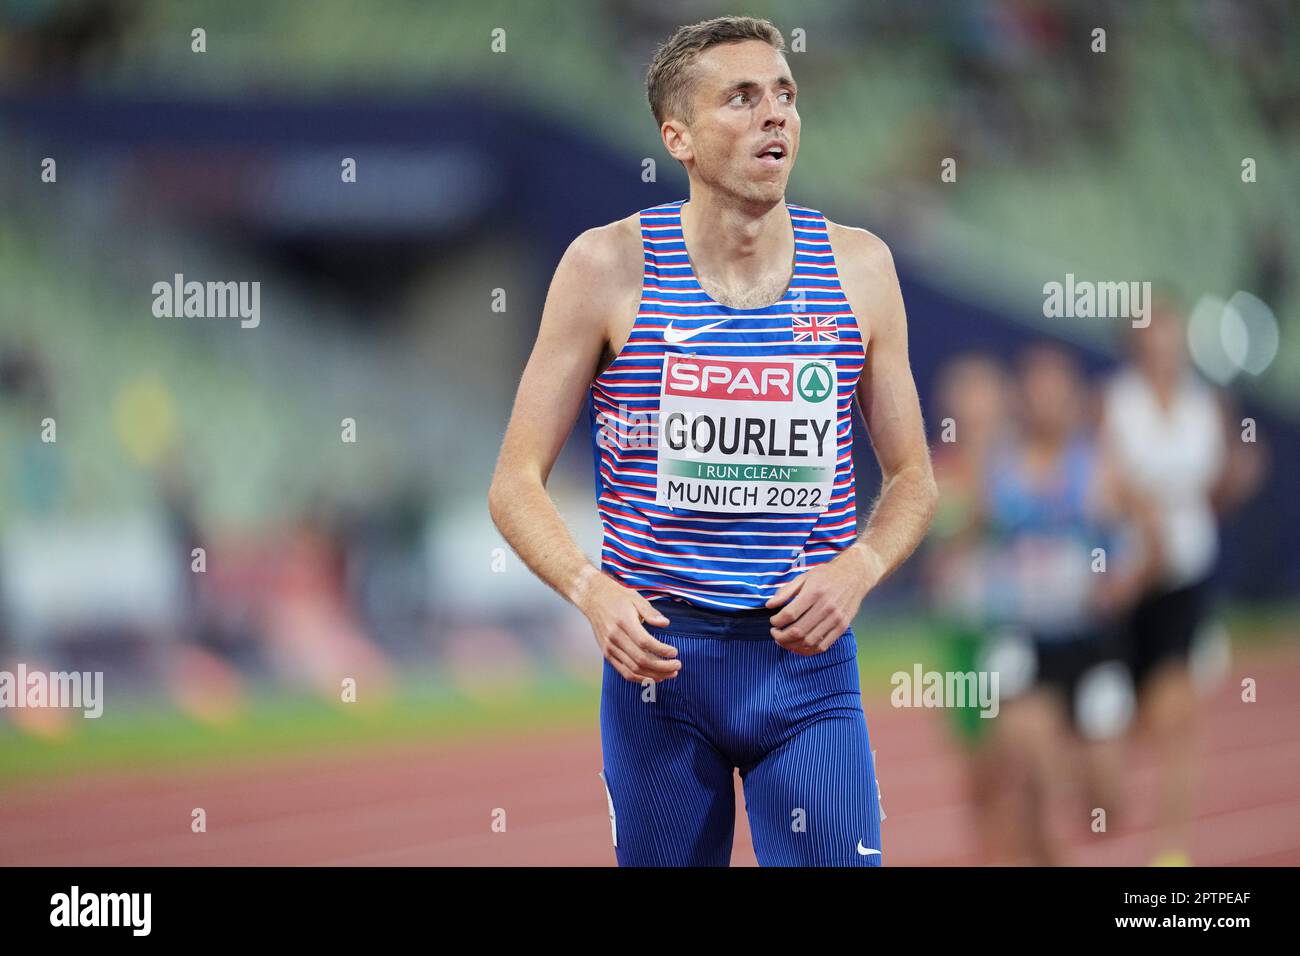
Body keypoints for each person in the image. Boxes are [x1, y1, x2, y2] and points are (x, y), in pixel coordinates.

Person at [488, 16, 937, 866]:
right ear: (678, 137)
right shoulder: (606, 268)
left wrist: (860, 568)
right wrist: (593, 593)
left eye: (786, 95)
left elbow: (913, 475)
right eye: (743, 97)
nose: (777, 115)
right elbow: (513, 481)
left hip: (805, 673)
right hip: (661, 671)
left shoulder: (860, 269)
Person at [1101, 299, 1264, 866]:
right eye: (1153, 334)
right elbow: (1106, 483)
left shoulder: (1205, 406)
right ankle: (1106, 790)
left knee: (1179, 713)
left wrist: (1236, 480)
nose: (1163, 344)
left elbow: (1213, 495)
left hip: (1187, 577)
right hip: (1127, 579)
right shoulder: (1116, 403)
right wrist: (1142, 523)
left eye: (1170, 332)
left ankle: (1171, 848)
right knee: (1132, 714)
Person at [980, 345, 1156, 865]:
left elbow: (1149, 539)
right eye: (1034, 393)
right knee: (1031, 769)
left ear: (1072, 400)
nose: (1044, 404)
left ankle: (1092, 781)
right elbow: (968, 536)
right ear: (1021, 400)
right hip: (1025, 643)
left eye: (1054, 393)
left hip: (1091, 644)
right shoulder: (999, 467)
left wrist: (1123, 581)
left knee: (1105, 803)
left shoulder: (1098, 468)